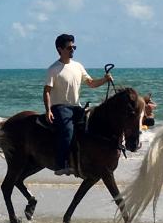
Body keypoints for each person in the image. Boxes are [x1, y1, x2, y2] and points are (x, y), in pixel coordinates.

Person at [41, 33, 114, 175]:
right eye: (69, 48)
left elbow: (91, 83)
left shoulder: (78, 66)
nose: (72, 50)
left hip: (76, 107)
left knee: (91, 128)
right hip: (60, 107)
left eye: (74, 47)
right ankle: (61, 164)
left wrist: (105, 79)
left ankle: (84, 161)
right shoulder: (53, 69)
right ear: (60, 49)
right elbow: (47, 91)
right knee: (67, 131)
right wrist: (48, 110)